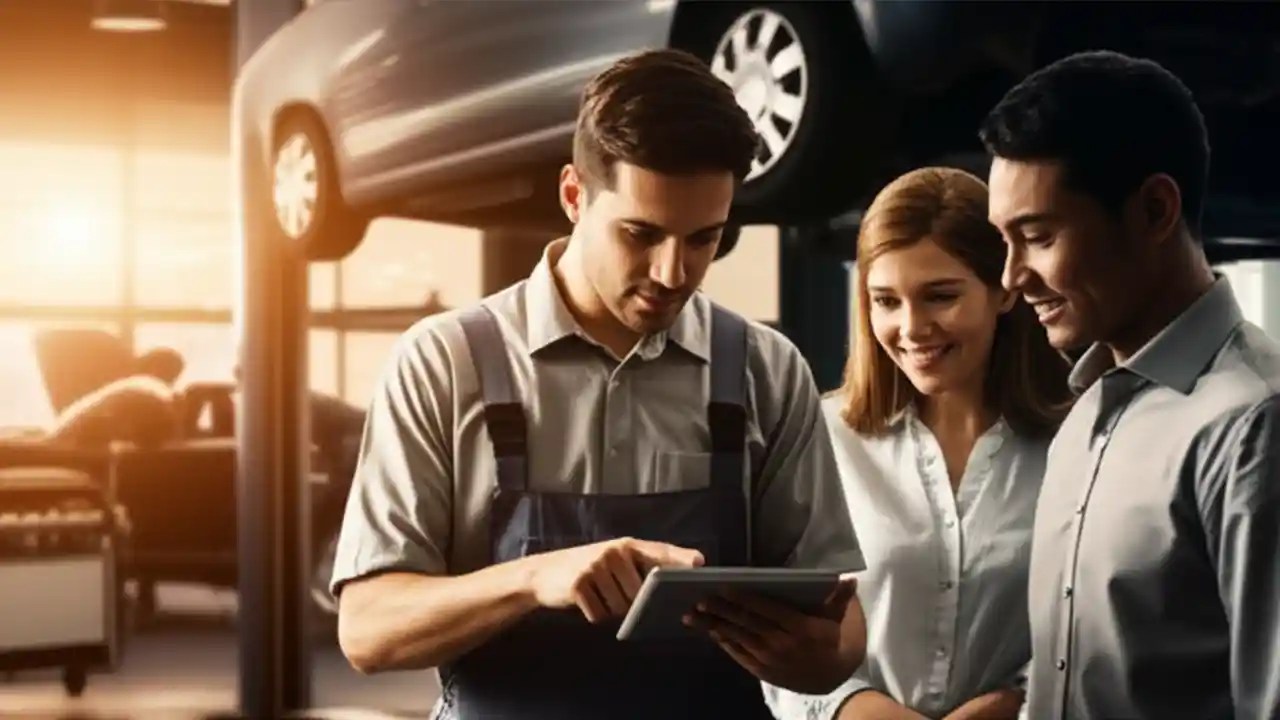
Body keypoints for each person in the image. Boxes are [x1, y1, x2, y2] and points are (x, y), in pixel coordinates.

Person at [329, 48, 867, 719]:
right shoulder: (442, 363)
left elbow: (840, 637)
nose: (672, 272)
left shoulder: (769, 370)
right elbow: (367, 631)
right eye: (641, 234)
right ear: (573, 196)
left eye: (704, 239)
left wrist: (817, 653)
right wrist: (533, 578)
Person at [981, 49, 1280, 719]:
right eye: (1005, 241)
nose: (1011, 277)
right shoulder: (1085, 413)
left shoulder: (1255, 426)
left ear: (1154, 210)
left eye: (1038, 236)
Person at [764, 167, 1073, 720]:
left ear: (1004, 289)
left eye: (940, 296)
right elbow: (779, 643)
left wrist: (1013, 704)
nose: (912, 328)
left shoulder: (1075, 445)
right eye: (886, 301)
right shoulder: (820, 438)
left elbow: (1092, 625)